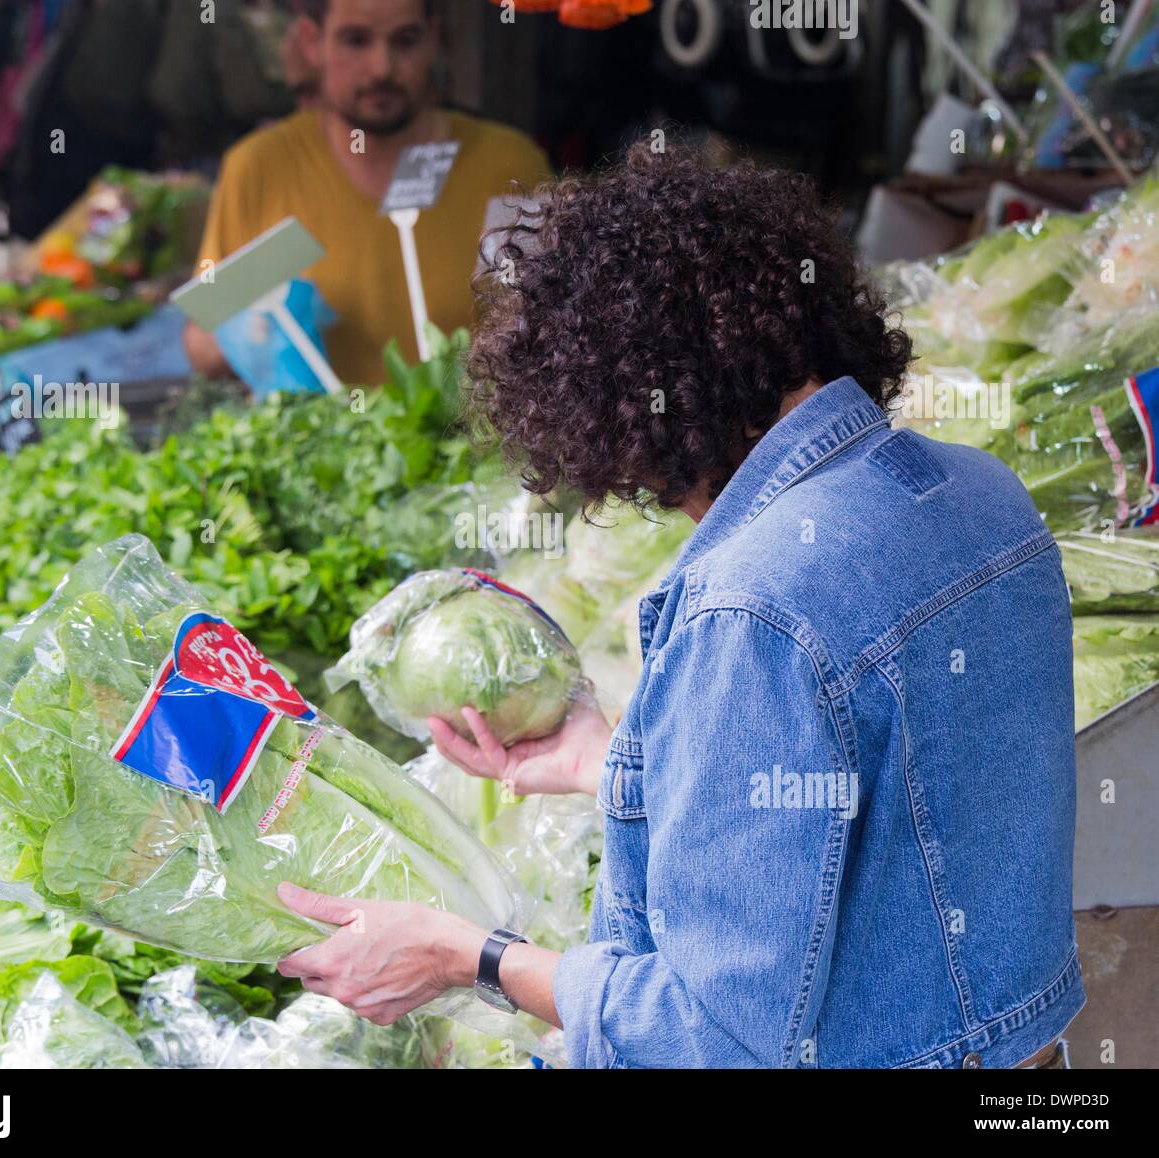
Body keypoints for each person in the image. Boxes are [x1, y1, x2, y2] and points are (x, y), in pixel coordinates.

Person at [273, 144, 1084, 1069]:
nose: (655, 497)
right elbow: (884, 810)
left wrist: (470, 956)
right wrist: (617, 762)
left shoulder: (753, 606)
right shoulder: (986, 494)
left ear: (634, 408)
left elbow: (713, 1037)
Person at [184, 0, 552, 385]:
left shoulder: (508, 164)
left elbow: (559, 316)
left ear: (435, 39)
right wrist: (250, 335)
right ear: (313, 42)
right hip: (329, 439)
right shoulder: (259, 168)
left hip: (479, 441)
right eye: (356, 40)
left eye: (406, 41)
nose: (383, 68)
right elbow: (200, 339)